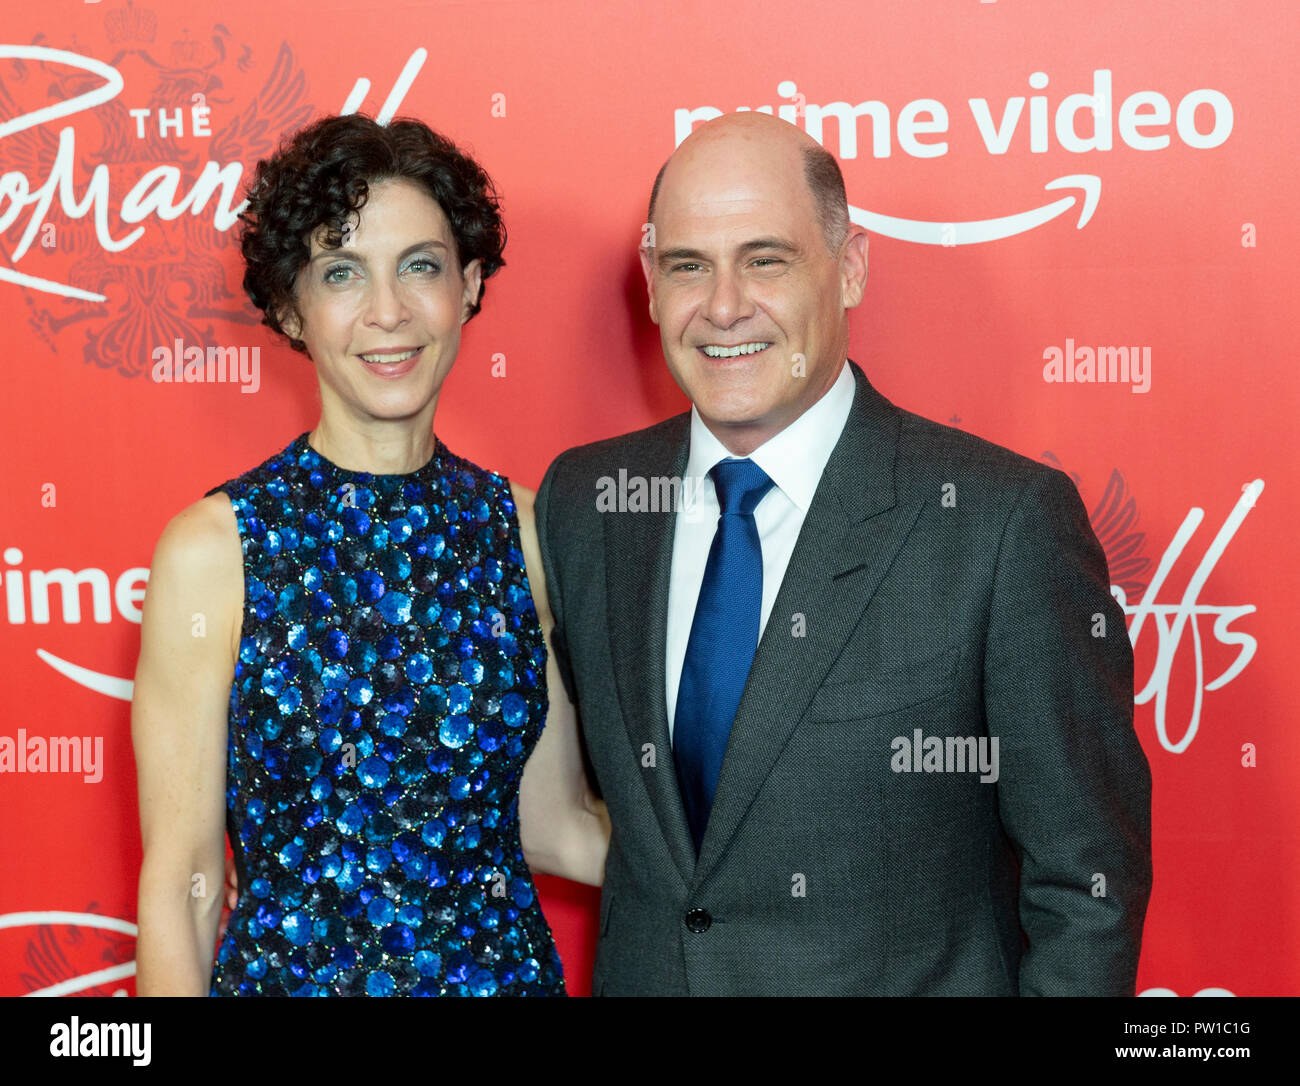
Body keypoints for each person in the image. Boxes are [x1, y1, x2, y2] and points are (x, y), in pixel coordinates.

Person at [534, 110, 1153, 996]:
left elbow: (1087, 886)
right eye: (687, 266)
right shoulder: (586, 502)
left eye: (766, 259)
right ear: (649, 279)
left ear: (851, 266)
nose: (723, 306)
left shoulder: (1002, 523)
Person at [131, 113, 608, 997]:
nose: (388, 312)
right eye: (342, 273)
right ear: (289, 307)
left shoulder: (529, 532)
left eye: (420, 266)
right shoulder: (215, 549)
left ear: (468, 284)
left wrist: (776, 876)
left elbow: (552, 831)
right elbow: (188, 884)